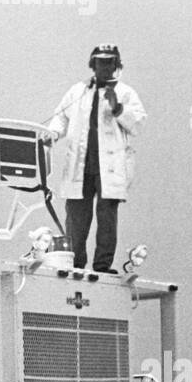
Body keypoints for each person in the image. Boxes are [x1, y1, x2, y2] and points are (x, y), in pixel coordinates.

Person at [42, 45, 146, 272]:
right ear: (93, 64)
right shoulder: (77, 91)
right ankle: (75, 263)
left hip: (109, 167)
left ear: (116, 65)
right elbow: (60, 117)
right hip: (81, 163)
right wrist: (53, 135)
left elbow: (137, 123)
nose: (105, 67)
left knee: (107, 217)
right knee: (77, 215)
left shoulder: (126, 92)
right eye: (100, 62)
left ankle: (102, 265)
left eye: (110, 62)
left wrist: (117, 107)